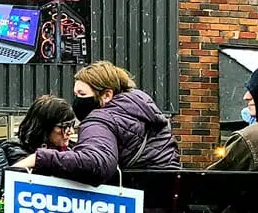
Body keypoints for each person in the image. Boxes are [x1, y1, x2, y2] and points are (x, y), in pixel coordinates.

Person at [16, 61, 179, 185]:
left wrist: (39, 158)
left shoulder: (99, 119)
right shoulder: (142, 107)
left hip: (136, 201)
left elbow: (94, 163)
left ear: (107, 95)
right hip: (167, 196)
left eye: (82, 94)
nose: (77, 101)